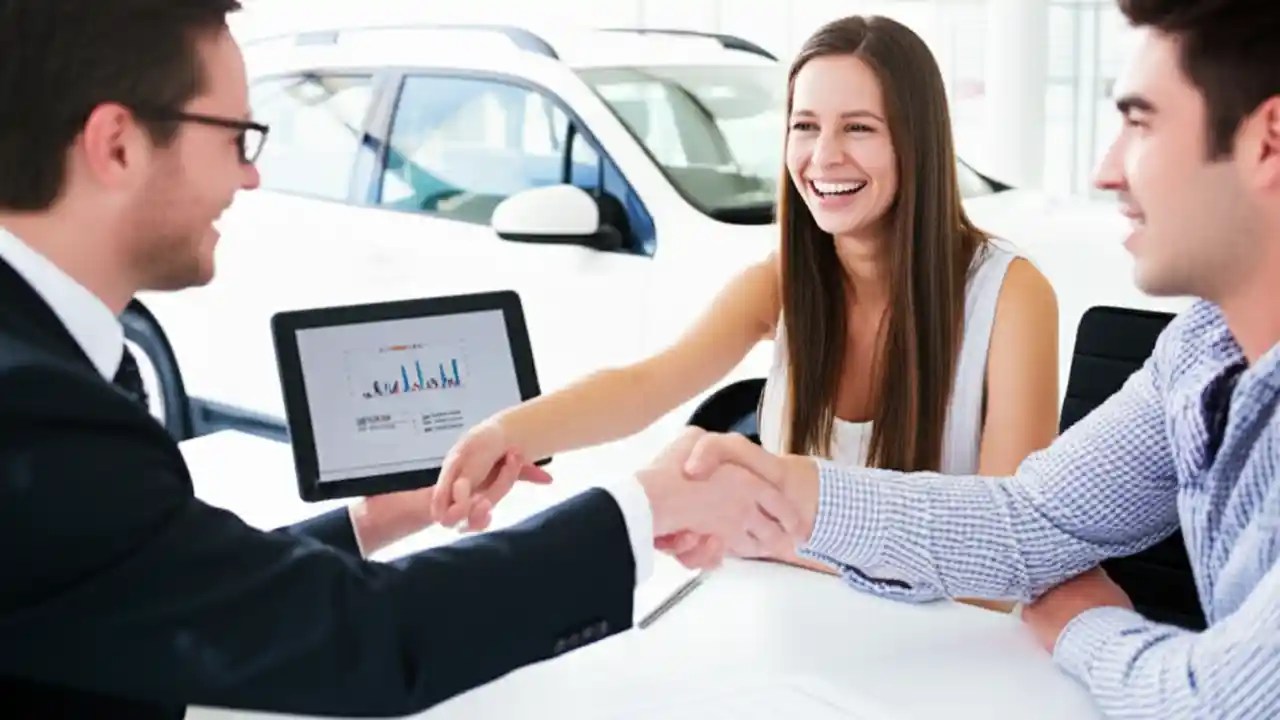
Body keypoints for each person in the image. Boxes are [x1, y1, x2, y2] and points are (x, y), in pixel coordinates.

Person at [0, 2, 801, 717]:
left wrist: (378, 517)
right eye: (239, 137)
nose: (252, 174)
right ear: (117, 145)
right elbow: (365, 639)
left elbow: (168, 582)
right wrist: (643, 506)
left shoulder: (39, 376)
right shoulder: (35, 415)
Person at [665, 0, 1280, 716]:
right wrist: (785, 492)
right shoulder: (1202, 348)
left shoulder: (1008, 287)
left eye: (1141, 123)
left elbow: (1220, 703)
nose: (1107, 170)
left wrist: (1085, 623)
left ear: (1269, 141)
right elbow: (1031, 521)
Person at [435, 15, 1060, 604]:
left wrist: (773, 536)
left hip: (944, 661)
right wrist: (507, 434)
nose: (823, 156)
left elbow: (1002, 565)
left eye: (859, 127)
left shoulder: (1012, 297)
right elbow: (645, 386)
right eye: (806, 125)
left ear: (916, 143)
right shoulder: (783, 283)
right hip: (793, 623)